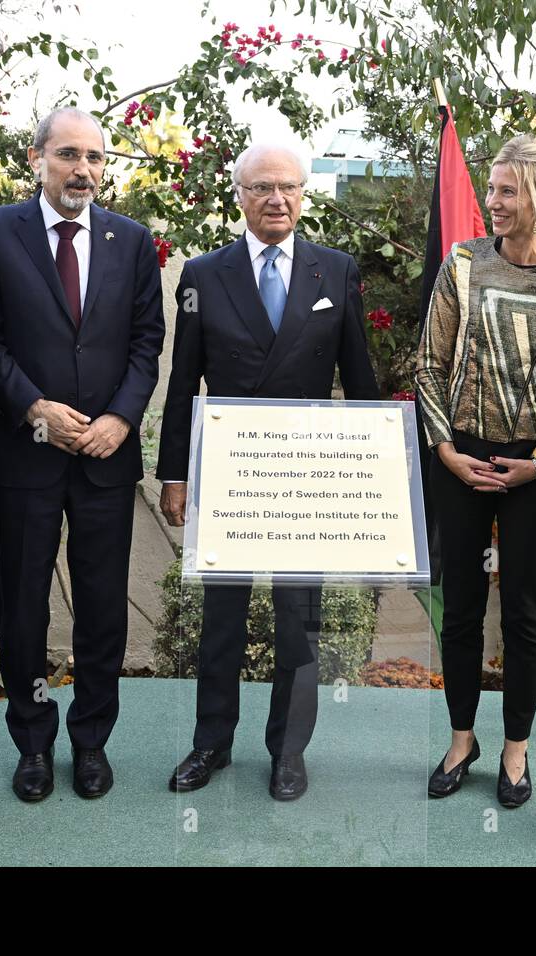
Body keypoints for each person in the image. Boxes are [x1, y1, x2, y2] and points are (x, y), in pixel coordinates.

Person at [156, 143, 379, 801]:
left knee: (297, 619)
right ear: (240, 196)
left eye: (288, 187)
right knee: (221, 619)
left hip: (304, 477)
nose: (277, 199)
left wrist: (372, 473)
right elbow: (182, 383)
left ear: (303, 194)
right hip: (229, 476)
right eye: (262, 188)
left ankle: (288, 752)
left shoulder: (335, 272)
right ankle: (211, 744)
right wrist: (175, 473)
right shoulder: (203, 273)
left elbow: (361, 381)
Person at [0, 107, 165, 803]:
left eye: (97, 157)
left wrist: (121, 417)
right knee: (22, 607)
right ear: (37, 158)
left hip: (106, 458)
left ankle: (90, 742)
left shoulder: (133, 240)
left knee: (103, 606)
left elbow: (148, 341)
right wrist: (34, 407)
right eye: (69, 154)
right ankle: (31, 740)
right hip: (26, 455)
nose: (84, 168)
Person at [417, 134, 536, 809]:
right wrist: (445, 449)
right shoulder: (461, 263)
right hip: (460, 455)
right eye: (490, 189)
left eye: (508, 191)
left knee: (522, 609)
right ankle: (462, 741)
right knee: (458, 603)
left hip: (535, 466)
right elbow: (429, 363)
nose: (493, 202)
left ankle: (516, 751)